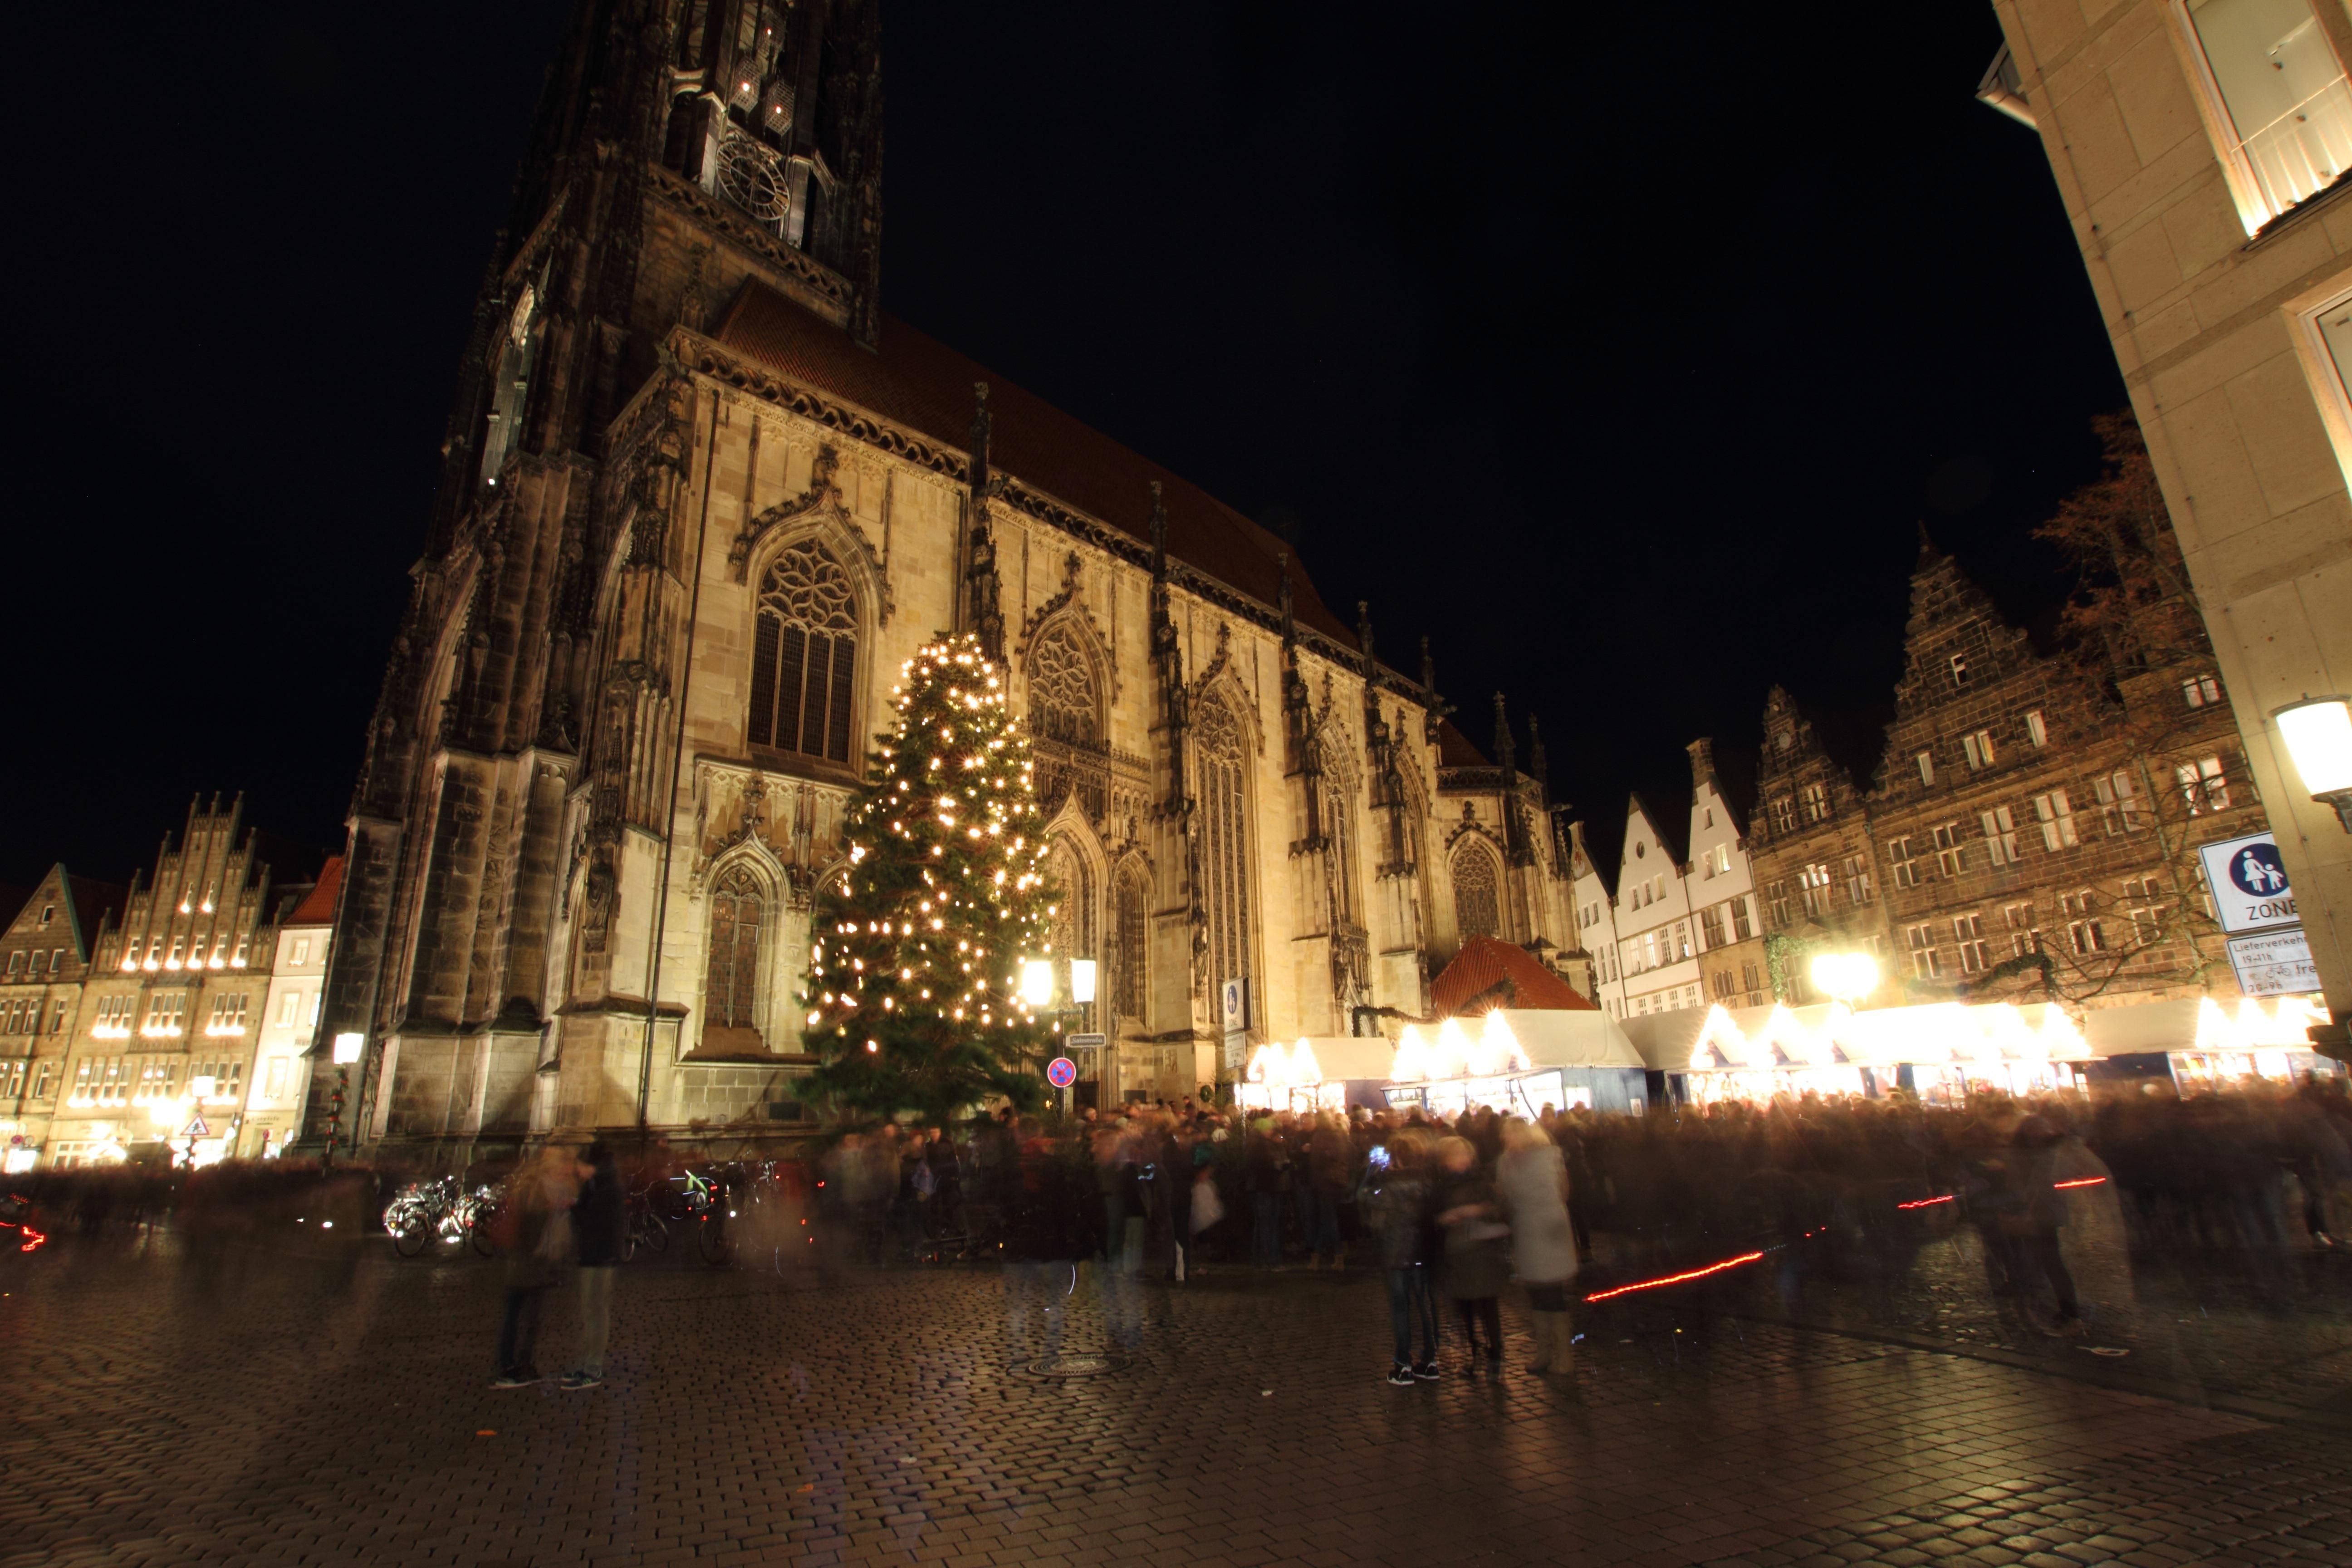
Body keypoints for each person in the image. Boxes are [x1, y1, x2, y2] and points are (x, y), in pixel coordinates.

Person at [1495, 1118, 1577, 1376]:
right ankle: (1544, 1352)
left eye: (1510, 1135)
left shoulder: (1545, 1158)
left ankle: (1563, 1355)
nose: (1506, 1140)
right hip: (1529, 1228)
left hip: (1546, 1227)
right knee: (1536, 1291)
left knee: (1551, 1291)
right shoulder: (1507, 1162)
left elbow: (1562, 1190)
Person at [491, 1146, 577, 1388]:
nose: (568, 1170)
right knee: (515, 1316)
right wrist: (552, 1209)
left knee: (531, 1318)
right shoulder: (531, 1189)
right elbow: (528, 1225)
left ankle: (525, 1363)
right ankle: (508, 1368)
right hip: (524, 1260)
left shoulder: (560, 1187)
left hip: (539, 1261)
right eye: (564, 1165)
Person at [1367, 1128, 1440, 1385]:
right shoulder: (1429, 1181)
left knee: (1400, 1307)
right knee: (1424, 1305)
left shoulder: (1388, 1184)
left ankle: (1403, 1363)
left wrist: (1373, 1174)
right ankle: (1429, 1360)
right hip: (1422, 1250)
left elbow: (1365, 1200)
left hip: (1397, 1251)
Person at [1434, 1135, 1509, 1370]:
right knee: (1465, 1307)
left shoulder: (1482, 1181)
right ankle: (1474, 1352)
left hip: (1482, 1252)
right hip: (1457, 1254)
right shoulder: (1441, 1185)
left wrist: (1476, 1210)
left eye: (1463, 1154)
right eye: (1454, 1155)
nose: (1460, 1160)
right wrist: (1445, 1219)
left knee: (1488, 1306)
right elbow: (1433, 1217)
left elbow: (1500, 1209)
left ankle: (1495, 1352)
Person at [564, 1141, 625, 1389]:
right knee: (590, 1312)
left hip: (601, 1256)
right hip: (594, 1255)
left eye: (580, 1166)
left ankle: (593, 1369)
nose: (577, 1171)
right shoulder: (597, 1183)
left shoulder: (606, 1185)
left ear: (591, 1165)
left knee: (596, 1312)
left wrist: (576, 1209)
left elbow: (597, 1221)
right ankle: (587, 1363)